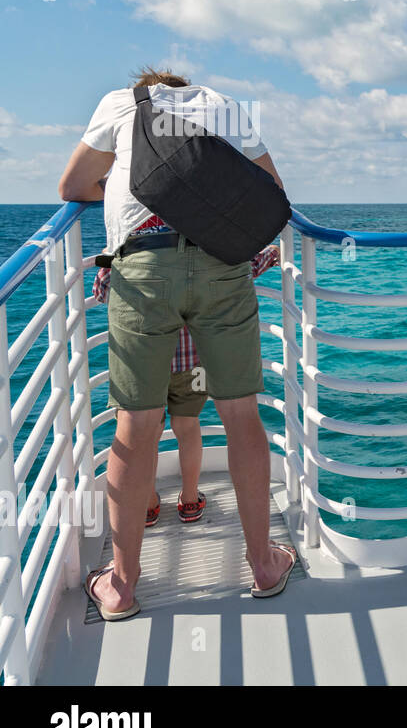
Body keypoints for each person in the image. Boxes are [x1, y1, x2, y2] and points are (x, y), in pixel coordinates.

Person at [58, 67, 296, 621]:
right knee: (240, 414)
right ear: (188, 87)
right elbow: (273, 194)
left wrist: (125, 190)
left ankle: (121, 586)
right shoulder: (225, 103)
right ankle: (264, 566)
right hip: (222, 267)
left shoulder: (121, 103)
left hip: (143, 267)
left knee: (136, 424)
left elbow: (72, 187)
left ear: (148, 84)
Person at [92, 244, 281, 525]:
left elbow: (102, 292)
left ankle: (148, 504)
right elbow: (243, 266)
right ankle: (190, 499)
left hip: (146, 362)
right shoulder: (206, 243)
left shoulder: (133, 248)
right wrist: (272, 254)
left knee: (145, 432)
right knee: (188, 425)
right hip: (193, 362)